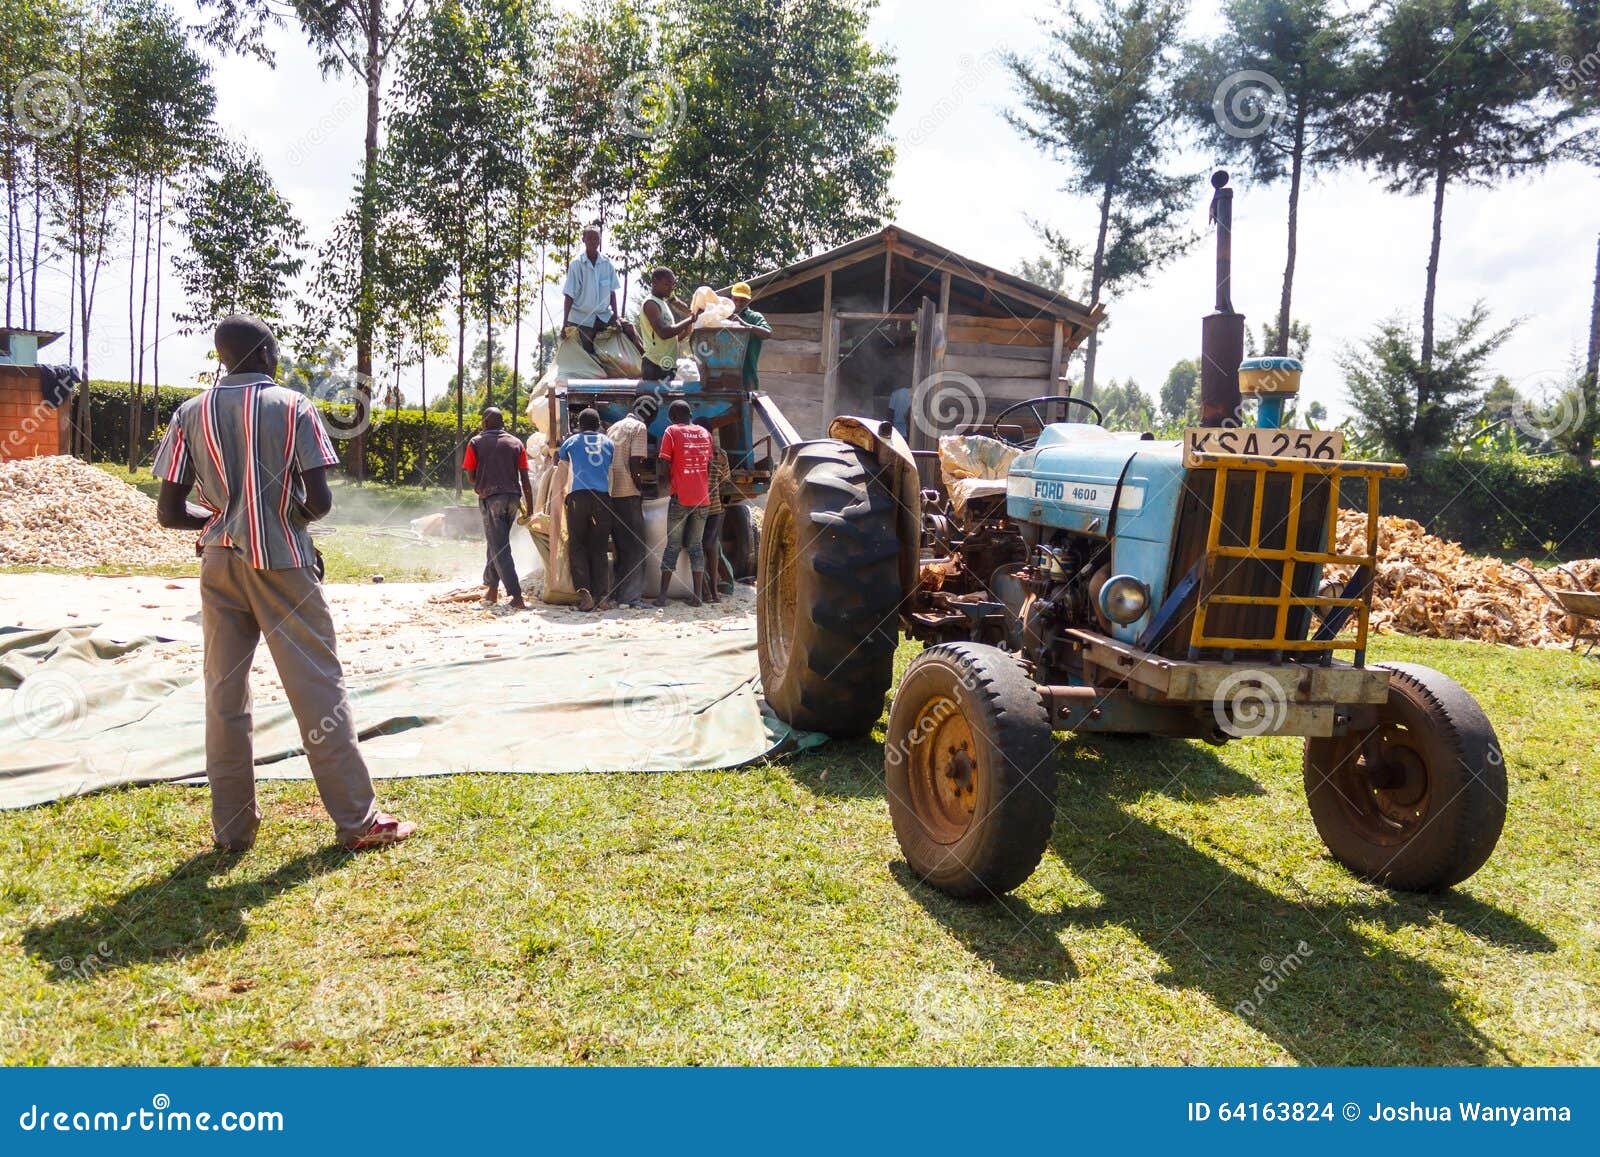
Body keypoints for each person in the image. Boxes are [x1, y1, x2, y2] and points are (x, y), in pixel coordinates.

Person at [153, 314, 416, 852]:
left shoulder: (189, 412)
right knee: (317, 687)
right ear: (266, 353)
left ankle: (232, 830)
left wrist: (222, 518)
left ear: (222, 357)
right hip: (283, 564)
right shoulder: (292, 405)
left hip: (219, 565)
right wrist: (280, 517)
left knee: (224, 694)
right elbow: (319, 501)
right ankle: (358, 821)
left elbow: (169, 510)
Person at [463, 407, 536, 611]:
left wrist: (481, 487)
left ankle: (516, 596)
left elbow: (470, 476)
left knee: (500, 546)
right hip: (513, 499)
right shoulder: (516, 443)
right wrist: (529, 507)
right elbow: (525, 479)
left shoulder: (476, 442)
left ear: (484, 423)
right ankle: (492, 589)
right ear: (502, 423)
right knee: (496, 541)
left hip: (491, 497)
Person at [655, 399, 712, 608]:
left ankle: (662, 596)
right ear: (690, 415)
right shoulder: (705, 433)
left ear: (673, 417)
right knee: (696, 546)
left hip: (680, 497)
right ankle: (697, 596)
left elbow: (664, 463)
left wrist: (662, 486)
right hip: (703, 498)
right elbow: (707, 463)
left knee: (673, 546)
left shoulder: (671, 432)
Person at [557, 407, 615, 612]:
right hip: (602, 498)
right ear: (599, 424)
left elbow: (561, 474)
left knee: (577, 545)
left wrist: (557, 500)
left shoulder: (570, 442)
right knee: (599, 548)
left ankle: (585, 594)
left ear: (579, 426)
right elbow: (610, 473)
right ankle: (603, 597)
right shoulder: (608, 443)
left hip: (578, 498)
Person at [562, 224, 639, 356]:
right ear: (583, 240)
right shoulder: (576, 264)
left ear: (599, 241)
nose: (593, 241)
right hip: (581, 316)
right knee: (588, 347)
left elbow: (612, 292)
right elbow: (569, 295)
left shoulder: (606, 263)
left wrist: (615, 315)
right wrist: (565, 323)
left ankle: (644, 358)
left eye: (596, 238)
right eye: (589, 238)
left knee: (628, 328)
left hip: (603, 314)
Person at [605, 398, 653, 609]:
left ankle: (617, 593)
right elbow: (635, 462)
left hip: (611, 492)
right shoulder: (639, 427)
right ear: (650, 415)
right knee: (636, 546)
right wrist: (641, 486)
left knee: (620, 546)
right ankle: (632, 597)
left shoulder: (613, 427)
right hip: (628, 493)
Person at [637, 267, 701, 382]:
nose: (671, 288)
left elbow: (670, 338)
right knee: (653, 399)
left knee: (664, 399)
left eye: (672, 284)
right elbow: (663, 333)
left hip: (667, 364)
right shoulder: (651, 304)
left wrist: (686, 330)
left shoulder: (663, 303)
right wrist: (690, 320)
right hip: (655, 365)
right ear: (655, 282)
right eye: (667, 284)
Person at [700, 437, 731, 604]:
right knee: (711, 547)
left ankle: (703, 591)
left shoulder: (695, 451)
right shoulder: (721, 454)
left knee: (696, 547)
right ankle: (714, 591)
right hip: (715, 506)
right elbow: (726, 478)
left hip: (697, 505)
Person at [728, 281, 773, 390]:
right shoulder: (724, 315)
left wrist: (744, 325)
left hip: (747, 376)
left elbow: (768, 333)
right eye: (736, 300)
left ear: (749, 300)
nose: (738, 303)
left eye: (743, 301)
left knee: (747, 406)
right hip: (724, 376)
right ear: (731, 298)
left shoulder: (754, 317)